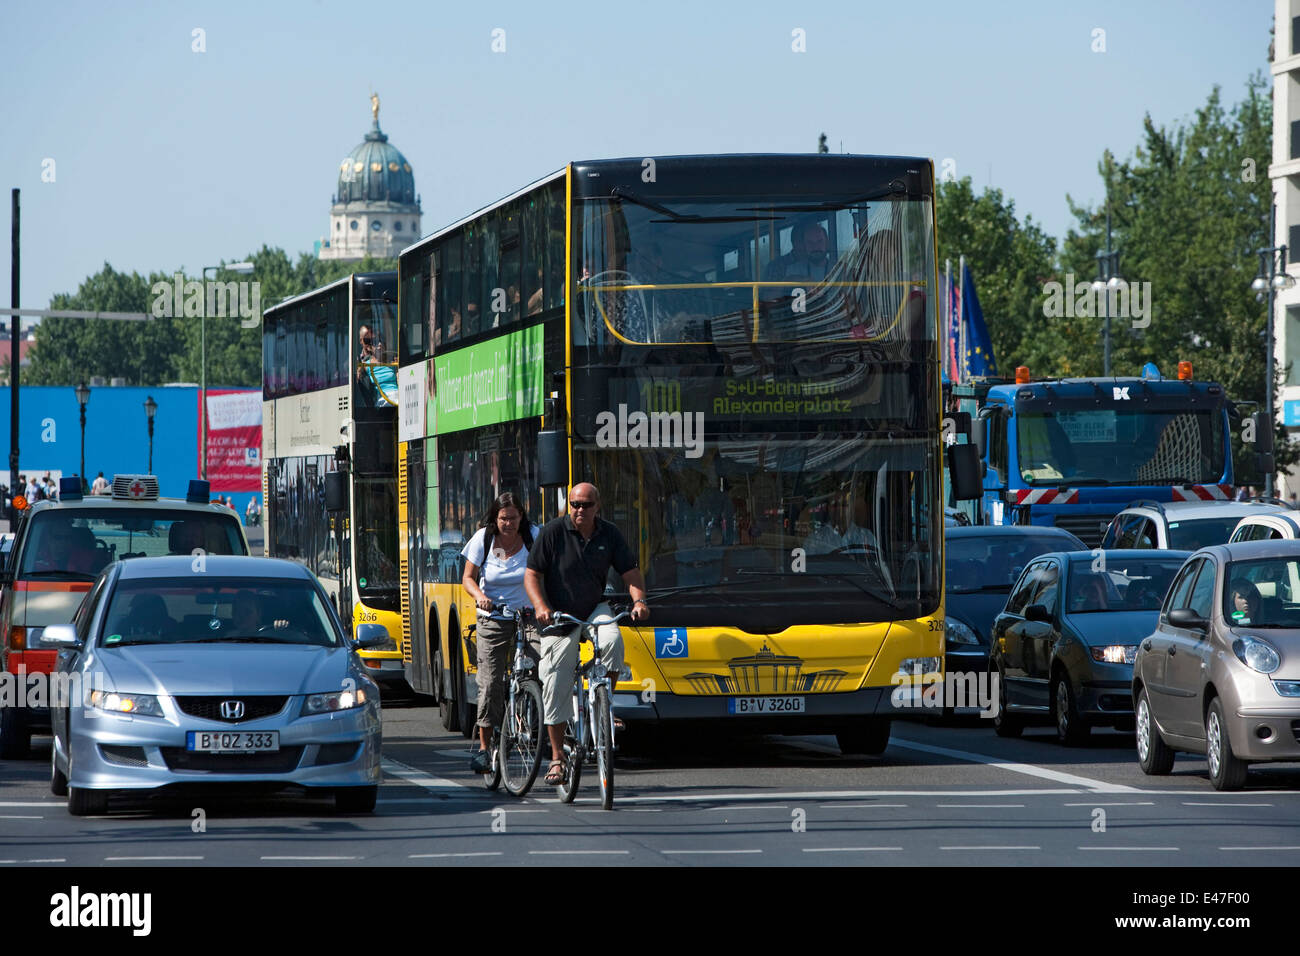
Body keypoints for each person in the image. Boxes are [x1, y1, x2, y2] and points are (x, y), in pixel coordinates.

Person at [524, 483, 650, 785]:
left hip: (595, 606)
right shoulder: (553, 532)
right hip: (558, 613)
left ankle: (604, 701)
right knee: (555, 677)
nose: (580, 510)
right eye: (575, 504)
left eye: (586, 505)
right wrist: (541, 606)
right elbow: (532, 574)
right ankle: (557, 757)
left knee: (613, 640)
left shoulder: (609, 533)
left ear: (597, 506)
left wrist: (639, 601)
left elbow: (630, 572)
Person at [461, 492, 539, 773]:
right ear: (495, 518)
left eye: (514, 518)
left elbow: (547, 569)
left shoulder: (533, 536)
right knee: (491, 681)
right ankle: (484, 747)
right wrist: (481, 596)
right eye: (503, 518)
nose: (509, 523)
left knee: (544, 663)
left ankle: (533, 720)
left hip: (529, 614)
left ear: (521, 517)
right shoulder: (483, 539)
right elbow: (468, 578)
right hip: (493, 616)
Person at [356, 324, 397, 406]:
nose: (379, 344)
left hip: (397, 395)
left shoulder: (393, 361)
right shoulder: (365, 365)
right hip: (383, 399)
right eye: (375, 343)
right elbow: (358, 382)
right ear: (369, 347)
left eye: (381, 341)